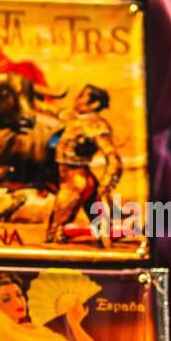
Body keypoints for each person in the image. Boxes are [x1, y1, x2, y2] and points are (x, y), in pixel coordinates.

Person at [46, 85, 122, 242]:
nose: (76, 99)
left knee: (54, 233)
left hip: (75, 181)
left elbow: (113, 158)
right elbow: (53, 111)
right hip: (80, 178)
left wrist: (106, 185)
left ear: (94, 104)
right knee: (102, 229)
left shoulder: (96, 125)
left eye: (81, 96)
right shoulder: (74, 117)